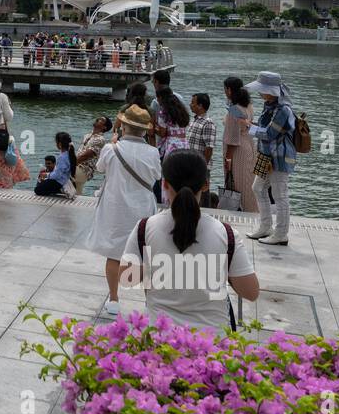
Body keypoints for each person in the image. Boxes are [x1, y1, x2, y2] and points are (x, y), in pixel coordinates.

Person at [120, 149, 259, 331]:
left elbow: (127, 279)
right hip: (213, 348)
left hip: (160, 344)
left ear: (164, 184)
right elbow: (251, 292)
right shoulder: (226, 234)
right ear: (205, 185)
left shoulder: (144, 228)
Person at [85, 105, 160, 316]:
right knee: (145, 254)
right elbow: (156, 175)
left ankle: (114, 299)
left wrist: (113, 142)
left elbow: (100, 168)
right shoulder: (153, 152)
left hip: (116, 206)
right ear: (145, 130)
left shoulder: (112, 149)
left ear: (123, 127)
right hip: (143, 207)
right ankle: (149, 301)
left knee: (114, 253)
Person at [245, 71, 298, 246]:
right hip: (266, 155)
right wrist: (251, 127)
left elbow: (270, 133)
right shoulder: (269, 105)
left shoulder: (283, 110)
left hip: (280, 157)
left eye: (262, 90)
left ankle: (281, 233)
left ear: (271, 91)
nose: (260, 93)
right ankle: (265, 226)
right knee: (258, 188)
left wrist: (248, 128)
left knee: (280, 194)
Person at [221, 77, 259, 213]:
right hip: (249, 145)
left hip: (238, 151)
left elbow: (232, 137)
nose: (225, 92)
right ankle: (252, 210)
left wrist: (228, 159)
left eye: (225, 89)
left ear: (229, 90)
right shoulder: (248, 106)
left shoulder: (234, 110)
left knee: (237, 183)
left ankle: (242, 211)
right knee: (248, 182)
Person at [185, 93, 218, 193]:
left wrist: (202, 169)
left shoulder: (207, 123)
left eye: (193, 103)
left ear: (200, 106)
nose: (190, 105)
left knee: (201, 194)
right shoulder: (195, 120)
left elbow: (209, 149)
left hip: (200, 167)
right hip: (191, 165)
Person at [73, 116, 112, 196]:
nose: (98, 119)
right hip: (77, 166)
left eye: (102, 120)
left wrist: (70, 164)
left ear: (104, 127)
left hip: (83, 169)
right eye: (98, 118)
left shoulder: (100, 140)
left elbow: (85, 156)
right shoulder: (88, 135)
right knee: (76, 193)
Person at [34, 132, 77, 198]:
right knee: (42, 184)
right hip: (64, 180)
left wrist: (46, 175)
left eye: (56, 142)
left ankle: (59, 190)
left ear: (59, 144)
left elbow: (57, 175)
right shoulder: (69, 154)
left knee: (37, 190)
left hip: (59, 182)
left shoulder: (62, 157)